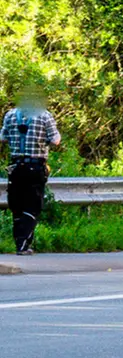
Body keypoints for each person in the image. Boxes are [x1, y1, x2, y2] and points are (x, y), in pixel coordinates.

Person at [3, 86, 60, 255]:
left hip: (15, 167)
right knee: (33, 206)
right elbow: (56, 140)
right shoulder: (44, 115)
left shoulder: (10, 115)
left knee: (17, 206)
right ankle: (22, 245)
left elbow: (2, 137)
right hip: (35, 167)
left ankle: (22, 244)